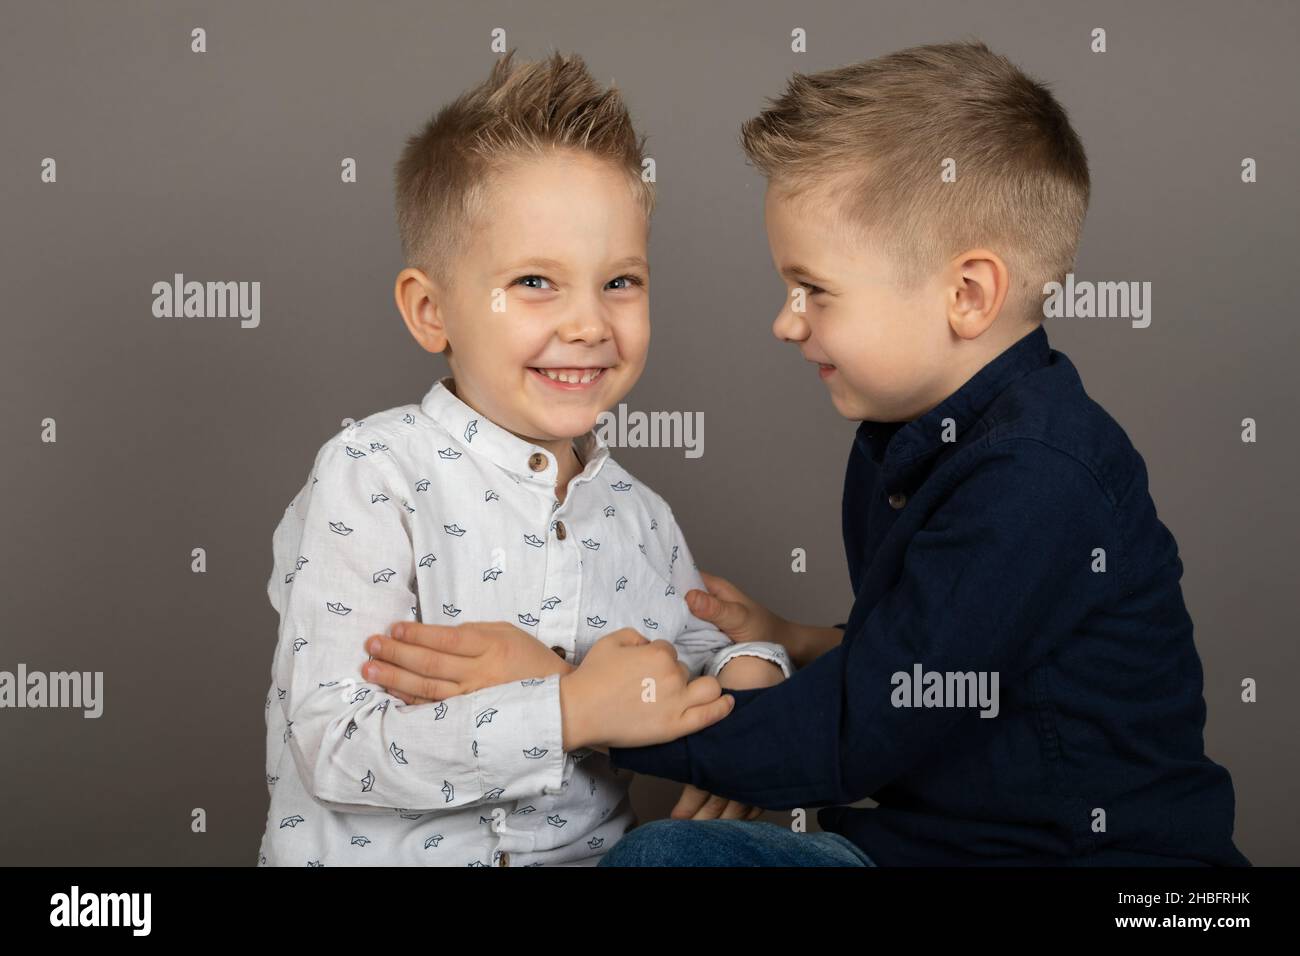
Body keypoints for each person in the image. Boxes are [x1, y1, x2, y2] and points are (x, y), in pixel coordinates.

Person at [375, 41, 1249, 867]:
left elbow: (854, 733)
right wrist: (805, 641)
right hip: (919, 846)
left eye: (814, 291)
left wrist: (579, 703)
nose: (786, 321)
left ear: (967, 294)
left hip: (1107, 870)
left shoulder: (1039, 478)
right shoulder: (910, 441)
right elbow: (942, 643)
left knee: (664, 858)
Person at [257, 50, 790, 868]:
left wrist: (754, 667)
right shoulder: (371, 477)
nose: (588, 323)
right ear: (431, 310)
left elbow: (691, 660)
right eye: (536, 281)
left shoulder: (638, 517)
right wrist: (569, 710)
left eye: (620, 282)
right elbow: (335, 745)